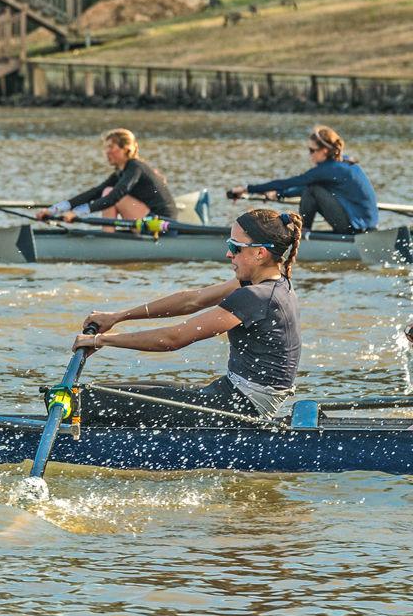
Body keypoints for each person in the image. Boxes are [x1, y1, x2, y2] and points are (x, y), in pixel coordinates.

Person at [71, 208, 302, 426]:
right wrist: (119, 316)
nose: (228, 253)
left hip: (240, 408)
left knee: (87, 401)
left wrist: (100, 341)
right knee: (98, 391)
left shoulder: (257, 296)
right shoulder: (268, 284)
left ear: (260, 253)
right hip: (232, 396)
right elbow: (193, 300)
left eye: (235, 246)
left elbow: (174, 339)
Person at [228, 124, 379, 234]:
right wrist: (280, 194)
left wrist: (247, 189)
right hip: (366, 225)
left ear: (325, 151)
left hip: (355, 227)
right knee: (312, 189)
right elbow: (301, 188)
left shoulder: (327, 169)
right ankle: (305, 231)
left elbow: (287, 183)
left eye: (312, 150)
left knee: (313, 190)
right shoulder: (343, 162)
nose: (310, 154)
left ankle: (303, 233)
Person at [37, 128, 175, 224]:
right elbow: (93, 193)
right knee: (103, 192)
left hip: (162, 224)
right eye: (105, 147)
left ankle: (109, 240)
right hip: (147, 220)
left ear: (125, 149)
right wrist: (53, 210)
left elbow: (114, 196)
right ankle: (109, 237)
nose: (106, 152)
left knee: (109, 193)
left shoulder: (135, 167)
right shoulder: (121, 173)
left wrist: (78, 213)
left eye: (111, 147)